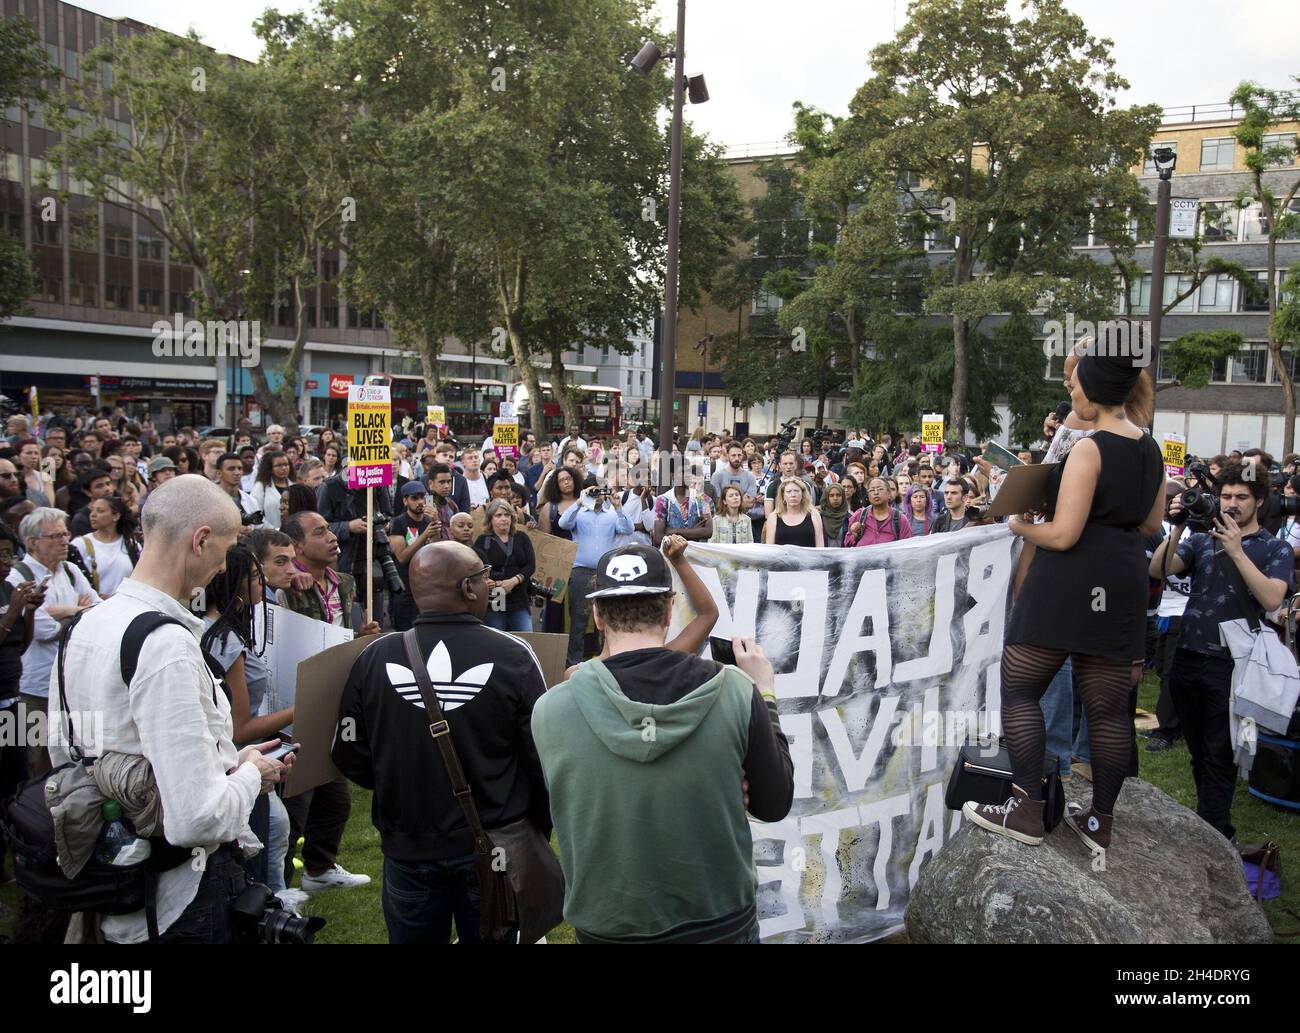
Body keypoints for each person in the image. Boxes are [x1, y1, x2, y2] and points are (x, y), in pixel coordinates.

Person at [48, 475, 291, 942]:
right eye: (224, 552)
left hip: (116, 879)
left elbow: (83, 755)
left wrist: (229, 763)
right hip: (178, 897)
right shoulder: (165, 646)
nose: (223, 569)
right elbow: (197, 819)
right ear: (200, 540)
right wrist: (251, 774)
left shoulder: (87, 624)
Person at [532, 543, 793, 943]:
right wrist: (766, 694)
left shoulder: (551, 709)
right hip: (717, 915)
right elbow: (773, 803)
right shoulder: (736, 692)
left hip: (609, 922)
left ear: (598, 617)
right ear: (669, 611)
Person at [966, 351, 1164, 862]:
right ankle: (1099, 821)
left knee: (1020, 688)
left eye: (1074, 384)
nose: (1070, 391)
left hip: (1068, 580)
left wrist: (1015, 524)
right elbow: (1149, 525)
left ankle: (1026, 807)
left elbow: (1062, 533)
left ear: (1093, 389)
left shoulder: (1089, 448)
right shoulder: (1151, 448)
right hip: (1122, 580)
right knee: (1109, 710)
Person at [332, 541, 549, 944]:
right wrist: (537, 825)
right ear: (469, 588)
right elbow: (540, 757)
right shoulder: (515, 655)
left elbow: (347, 749)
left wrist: (399, 785)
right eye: (484, 578)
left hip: (409, 848)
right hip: (493, 845)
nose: (489, 586)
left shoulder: (373, 657)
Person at [1148, 462, 1293, 840]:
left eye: (1241, 497)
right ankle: (1215, 829)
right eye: (1226, 496)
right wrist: (1178, 524)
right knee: (1199, 751)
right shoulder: (1200, 540)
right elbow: (1157, 569)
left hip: (1233, 667)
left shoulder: (1274, 547)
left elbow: (1273, 597)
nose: (1231, 504)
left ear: (1259, 501)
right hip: (1189, 657)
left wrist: (1237, 552)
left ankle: (1211, 834)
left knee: (1220, 755)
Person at [277, 511, 377, 896]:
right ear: (297, 547)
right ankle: (278, 885)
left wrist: (360, 634)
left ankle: (319, 867)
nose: (333, 538)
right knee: (295, 799)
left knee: (334, 791)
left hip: (335, 695)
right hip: (296, 699)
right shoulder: (286, 587)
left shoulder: (346, 582)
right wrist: (286, 582)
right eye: (320, 533)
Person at [198, 544, 301, 908]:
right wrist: (300, 709)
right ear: (235, 584)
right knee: (266, 845)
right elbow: (240, 728)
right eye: (256, 577)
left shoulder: (221, 628)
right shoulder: (225, 640)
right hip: (239, 761)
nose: (263, 583)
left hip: (238, 761)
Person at [9, 508, 101, 778]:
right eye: (55, 536)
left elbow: (98, 611)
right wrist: (75, 610)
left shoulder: (71, 570)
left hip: (72, 682)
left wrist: (60, 611)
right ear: (32, 542)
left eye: (65, 534)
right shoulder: (18, 577)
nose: (65, 541)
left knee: (76, 752)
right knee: (30, 756)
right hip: (33, 687)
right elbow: (42, 630)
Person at [558, 484, 633, 666]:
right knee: (578, 619)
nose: (598, 495)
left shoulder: (612, 514)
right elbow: (563, 523)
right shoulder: (579, 513)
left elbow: (627, 529)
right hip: (581, 571)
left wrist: (618, 507)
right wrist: (580, 501)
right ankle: (573, 662)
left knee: (607, 616)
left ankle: (607, 658)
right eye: (594, 491)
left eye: (601, 491)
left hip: (605, 571)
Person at [473, 498, 536, 633]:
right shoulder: (482, 541)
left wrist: (513, 582)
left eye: (507, 515)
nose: (503, 519)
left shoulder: (521, 537)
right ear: (491, 519)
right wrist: (487, 581)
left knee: (526, 637)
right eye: (498, 515)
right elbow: (476, 568)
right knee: (496, 640)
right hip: (495, 599)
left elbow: (531, 565)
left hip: (519, 598)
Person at [390, 481, 436, 631]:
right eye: (414, 498)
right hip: (405, 587)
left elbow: (435, 551)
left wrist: (436, 523)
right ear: (405, 501)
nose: (420, 502)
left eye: (422, 497)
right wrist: (424, 535)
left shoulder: (429, 521)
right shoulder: (398, 523)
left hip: (425, 586)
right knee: (404, 632)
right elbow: (402, 557)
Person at [73, 496, 139, 598]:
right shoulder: (80, 544)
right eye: (92, 510)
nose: (93, 515)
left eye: (100, 511)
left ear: (116, 516)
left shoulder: (131, 545)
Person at [843, 477, 911, 548]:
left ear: (889, 493)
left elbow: (906, 549)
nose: (876, 493)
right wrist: (854, 535)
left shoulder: (900, 520)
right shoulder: (860, 516)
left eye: (880, 489)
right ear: (868, 495)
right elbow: (847, 545)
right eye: (872, 490)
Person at [764, 478, 824, 547]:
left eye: (796, 491)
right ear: (783, 496)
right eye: (789, 491)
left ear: (803, 494)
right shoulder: (773, 517)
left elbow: (820, 547)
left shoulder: (814, 515)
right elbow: (770, 548)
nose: (793, 495)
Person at [251, 450, 293, 530]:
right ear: (270, 468)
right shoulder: (261, 487)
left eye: (286, 464)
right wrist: (273, 530)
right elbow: (254, 514)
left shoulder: (295, 484)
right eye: (278, 465)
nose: (284, 468)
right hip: (270, 535)